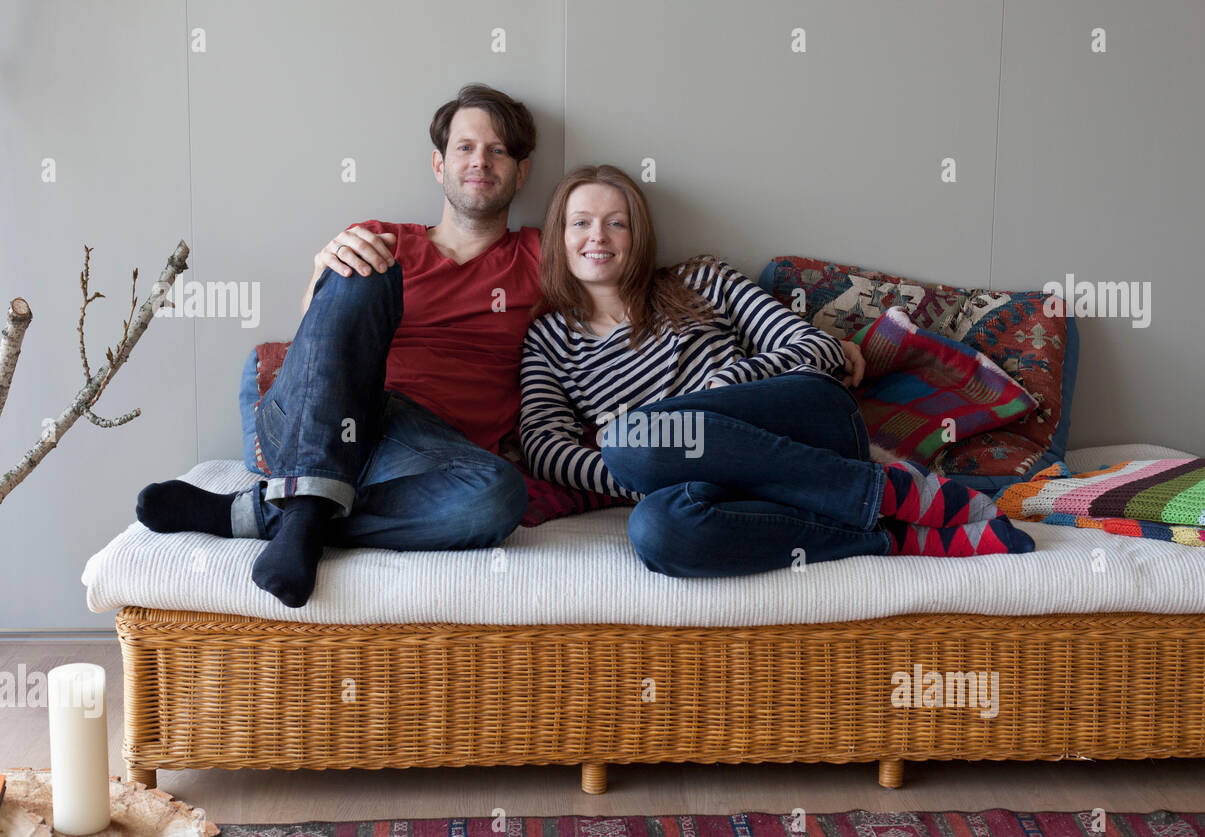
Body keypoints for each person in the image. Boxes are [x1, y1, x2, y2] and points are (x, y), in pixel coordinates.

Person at [134, 83, 543, 607]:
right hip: (320, 419)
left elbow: (615, 285)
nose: (480, 161)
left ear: (522, 171)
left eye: (499, 150)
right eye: (465, 147)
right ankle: (303, 509)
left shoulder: (540, 257)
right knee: (361, 268)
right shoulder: (379, 237)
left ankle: (266, 514)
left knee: (499, 494)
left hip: (420, 455)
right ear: (439, 165)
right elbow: (318, 344)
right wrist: (321, 270)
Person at [518, 165, 1035, 577]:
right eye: (580, 221)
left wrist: (725, 387)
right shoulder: (548, 340)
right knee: (656, 530)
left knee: (634, 432)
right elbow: (543, 446)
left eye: (617, 221)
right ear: (559, 237)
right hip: (717, 483)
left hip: (803, 424)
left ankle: (888, 491)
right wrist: (655, 467)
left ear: (638, 234)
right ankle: (891, 533)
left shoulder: (701, 278)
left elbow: (814, 347)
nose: (598, 236)